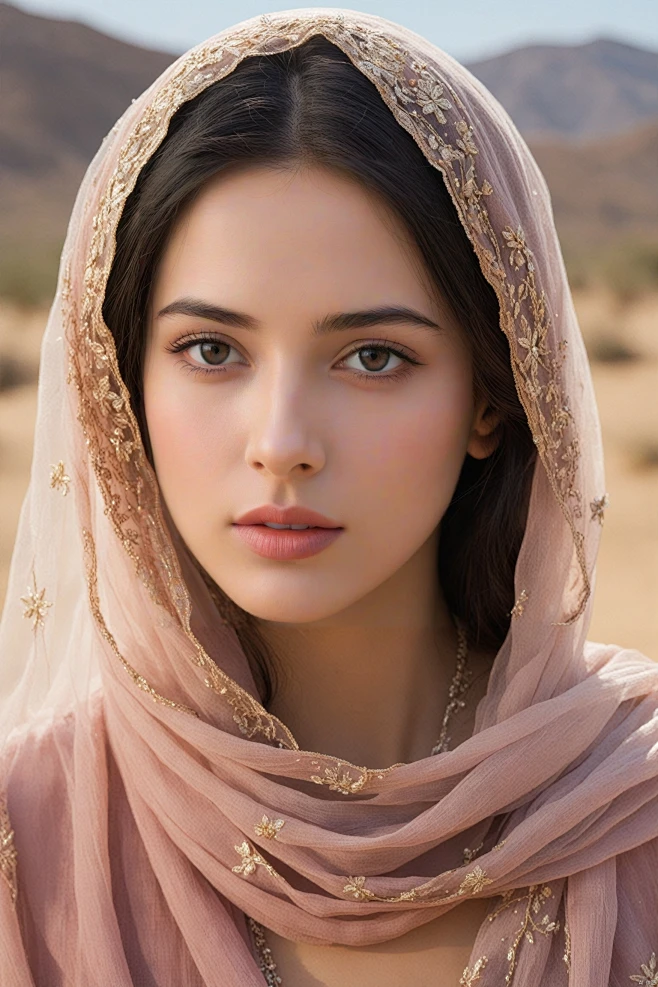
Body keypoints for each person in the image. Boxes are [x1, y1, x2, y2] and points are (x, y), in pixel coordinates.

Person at [0, 8, 656, 986]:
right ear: (119, 386)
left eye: (372, 357)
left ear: (490, 397)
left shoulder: (630, 805)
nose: (281, 445)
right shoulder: (29, 836)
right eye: (210, 351)